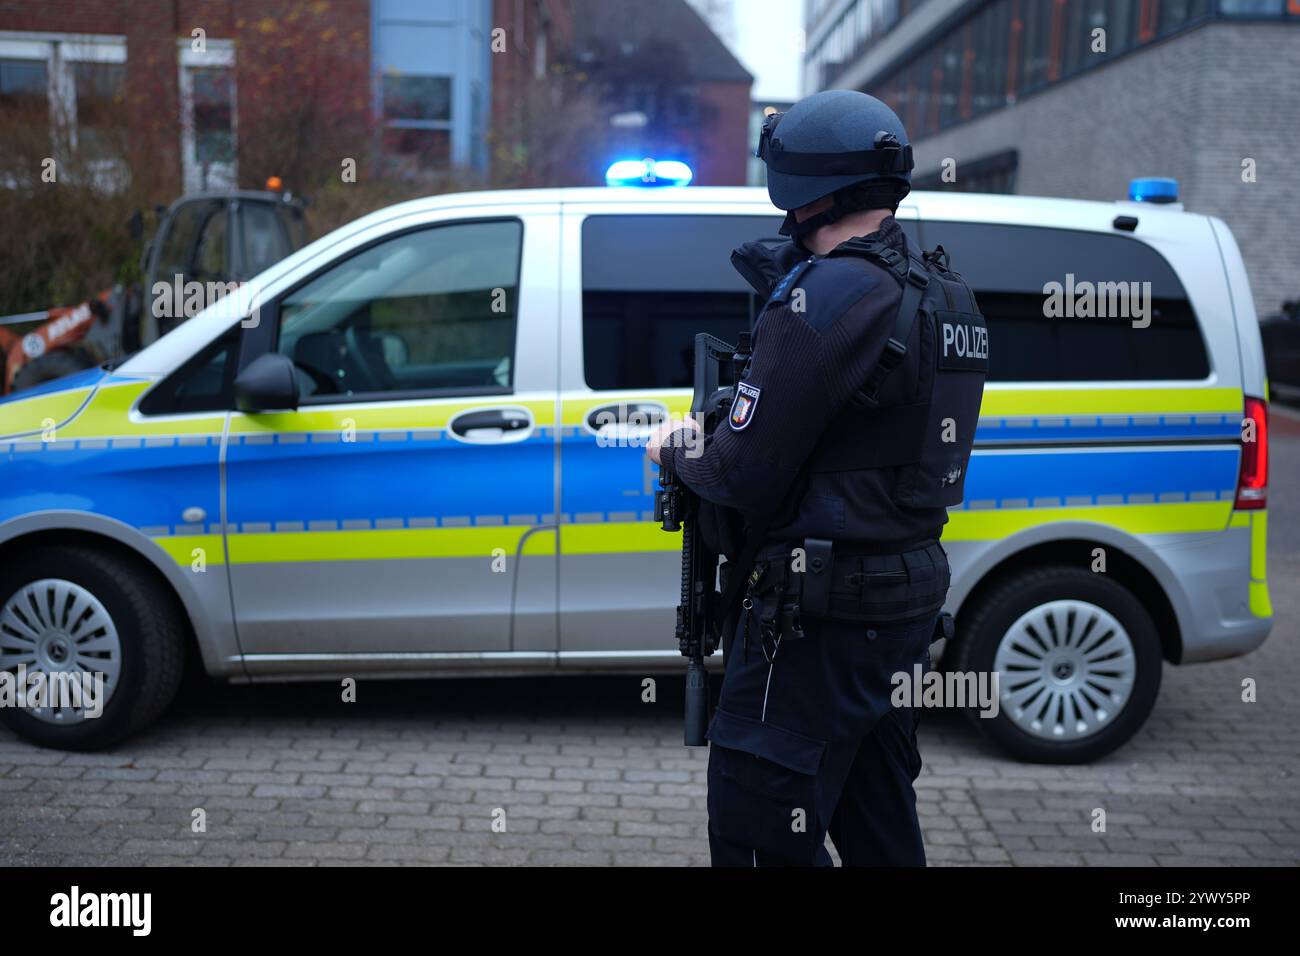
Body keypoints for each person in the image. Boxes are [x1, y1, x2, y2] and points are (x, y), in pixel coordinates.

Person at [647, 89, 988, 866]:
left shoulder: (827, 293)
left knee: (759, 827)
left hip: (816, 616)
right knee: (877, 820)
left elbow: (738, 470)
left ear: (800, 186)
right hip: (902, 597)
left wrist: (674, 448)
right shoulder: (946, 293)